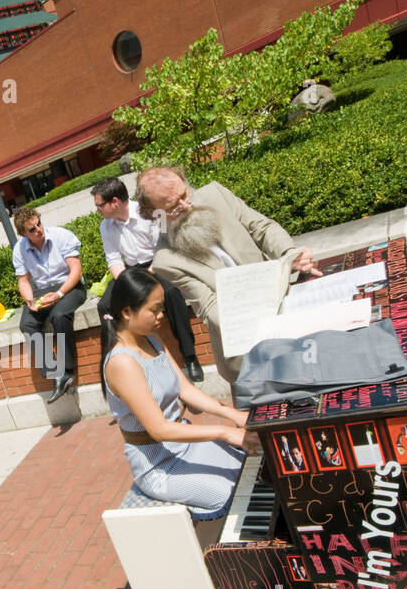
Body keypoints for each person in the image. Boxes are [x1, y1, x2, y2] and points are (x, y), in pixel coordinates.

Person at [100, 267, 261, 516]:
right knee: (231, 491)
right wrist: (225, 432)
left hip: (182, 444)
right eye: (154, 310)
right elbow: (159, 429)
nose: (161, 315)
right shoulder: (121, 362)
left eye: (161, 307)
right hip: (159, 465)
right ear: (127, 312)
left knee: (248, 461)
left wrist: (233, 414)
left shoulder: (151, 338)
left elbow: (184, 388)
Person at [138, 166, 322, 382]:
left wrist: (290, 253)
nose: (186, 206)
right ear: (154, 214)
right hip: (248, 356)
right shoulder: (166, 260)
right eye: (173, 206)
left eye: (185, 195)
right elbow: (209, 310)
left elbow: (261, 228)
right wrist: (259, 314)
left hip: (288, 316)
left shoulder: (215, 194)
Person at [92, 176, 203, 382]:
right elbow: (114, 258)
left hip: (158, 263)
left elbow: (164, 246)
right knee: (105, 306)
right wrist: (126, 281)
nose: (97, 210)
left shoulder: (151, 213)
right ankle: (121, 360)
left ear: (114, 202)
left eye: (100, 205)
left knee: (170, 293)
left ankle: (190, 357)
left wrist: (150, 272)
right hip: (130, 271)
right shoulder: (105, 227)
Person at [11, 208, 85, 403]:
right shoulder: (19, 249)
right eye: (32, 229)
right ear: (23, 233)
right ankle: (55, 373)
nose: (38, 230)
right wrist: (29, 300)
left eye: (38, 224)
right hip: (42, 291)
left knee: (59, 316)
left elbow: (76, 270)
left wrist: (60, 293)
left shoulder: (61, 235)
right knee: (26, 323)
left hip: (70, 286)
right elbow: (24, 281)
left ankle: (68, 370)